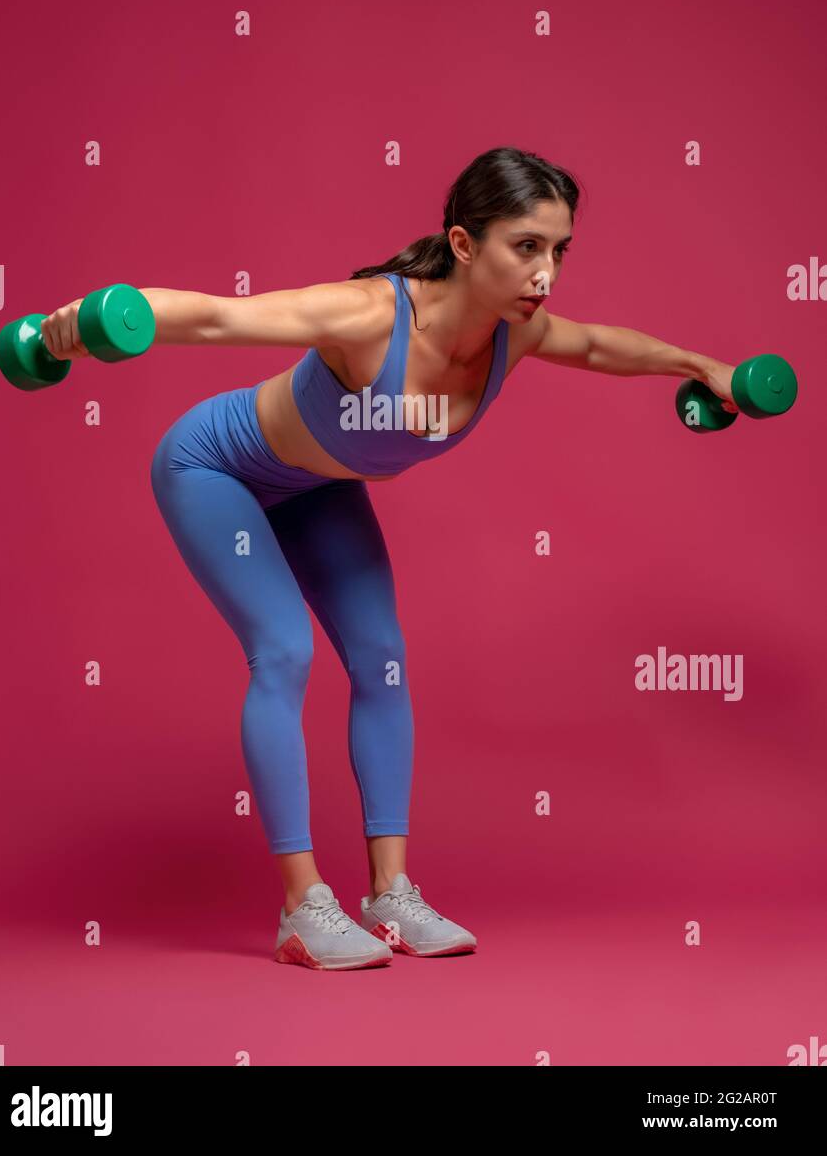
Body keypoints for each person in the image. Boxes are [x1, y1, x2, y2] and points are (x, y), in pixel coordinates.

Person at [40, 146, 739, 971]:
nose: (546, 272)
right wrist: (91, 318)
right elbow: (224, 316)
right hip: (216, 469)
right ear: (465, 243)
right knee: (284, 651)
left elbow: (595, 347)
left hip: (318, 486)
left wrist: (703, 367)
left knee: (383, 662)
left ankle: (390, 897)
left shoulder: (518, 333)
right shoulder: (373, 315)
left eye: (560, 250)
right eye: (526, 246)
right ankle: (302, 908)